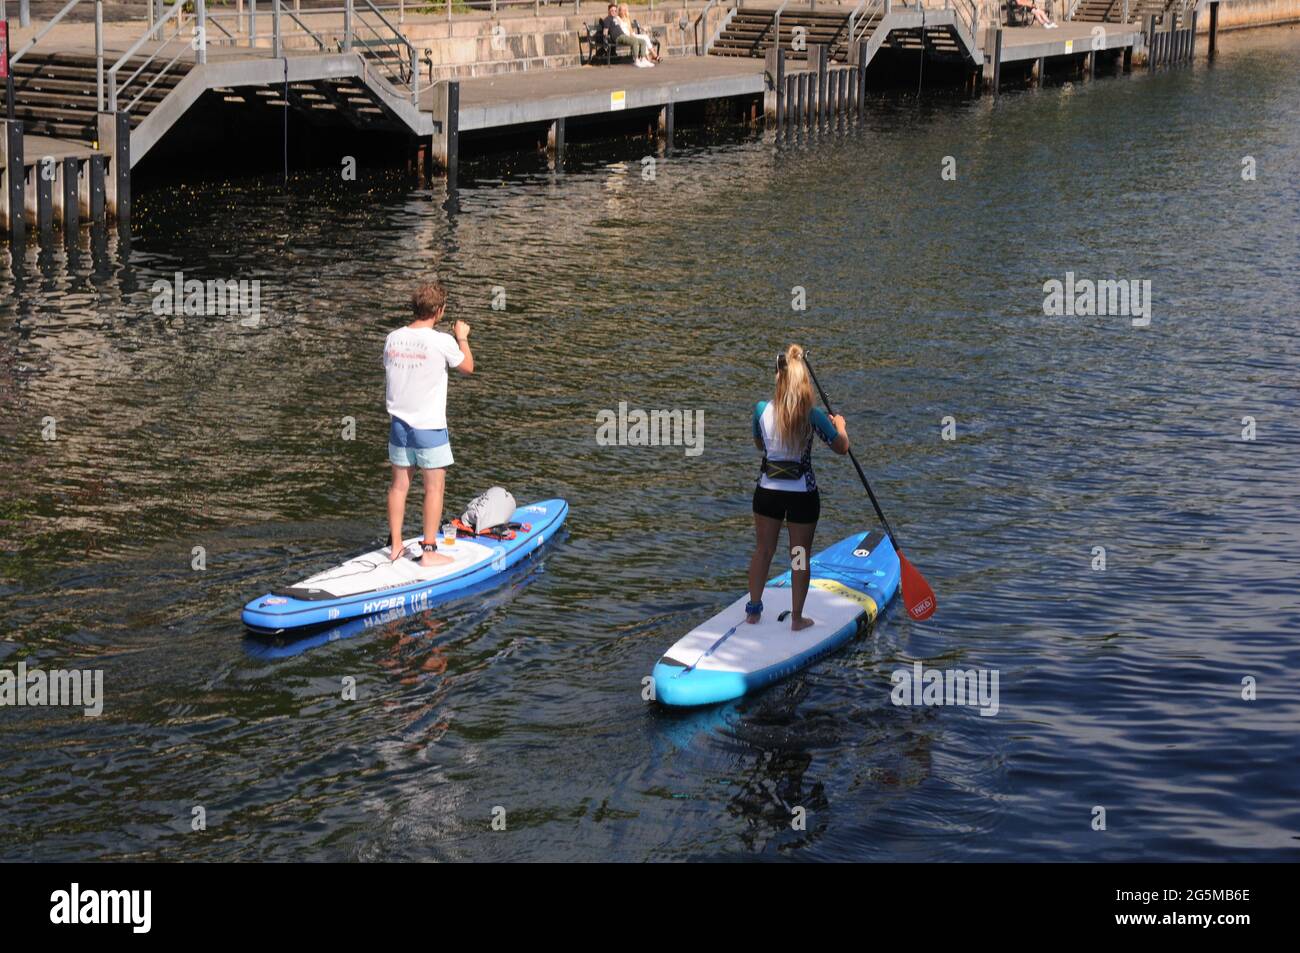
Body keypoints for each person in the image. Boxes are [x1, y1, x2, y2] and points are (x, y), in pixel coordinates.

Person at [747, 345, 850, 632]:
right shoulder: (813, 415)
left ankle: (753, 612)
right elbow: (842, 448)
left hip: (766, 492)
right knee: (799, 556)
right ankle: (796, 619)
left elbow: (760, 445)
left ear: (778, 379)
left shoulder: (760, 410)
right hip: (802, 495)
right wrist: (839, 425)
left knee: (763, 551)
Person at [382, 281, 474, 568]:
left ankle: (396, 546)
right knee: (434, 488)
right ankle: (429, 550)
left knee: (399, 487)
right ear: (439, 311)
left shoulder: (393, 337)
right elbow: (468, 367)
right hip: (429, 428)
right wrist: (462, 337)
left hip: (399, 426)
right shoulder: (441, 340)